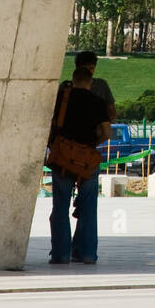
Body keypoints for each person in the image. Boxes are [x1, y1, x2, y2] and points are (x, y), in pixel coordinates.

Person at [47, 67, 110, 265]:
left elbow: (50, 126)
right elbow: (107, 133)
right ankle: (88, 253)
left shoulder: (61, 100)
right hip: (87, 161)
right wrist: (91, 145)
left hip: (63, 160)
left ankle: (61, 254)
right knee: (89, 207)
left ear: (73, 80)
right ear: (90, 83)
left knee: (60, 206)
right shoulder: (98, 103)